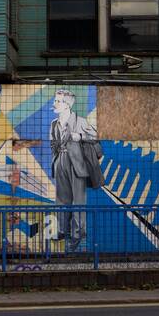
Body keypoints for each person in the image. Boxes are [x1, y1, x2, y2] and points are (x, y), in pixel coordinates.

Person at [49, 88, 103, 251]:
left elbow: (95, 136)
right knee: (61, 199)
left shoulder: (80, 121)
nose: (54, 103)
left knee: (78, 200)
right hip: (60, 161)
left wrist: (80, 137)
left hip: (77, 164)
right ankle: (62, 230)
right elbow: (53, 143)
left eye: (57, 101)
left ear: (66, 104)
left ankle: (78, 233)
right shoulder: (54, 124)